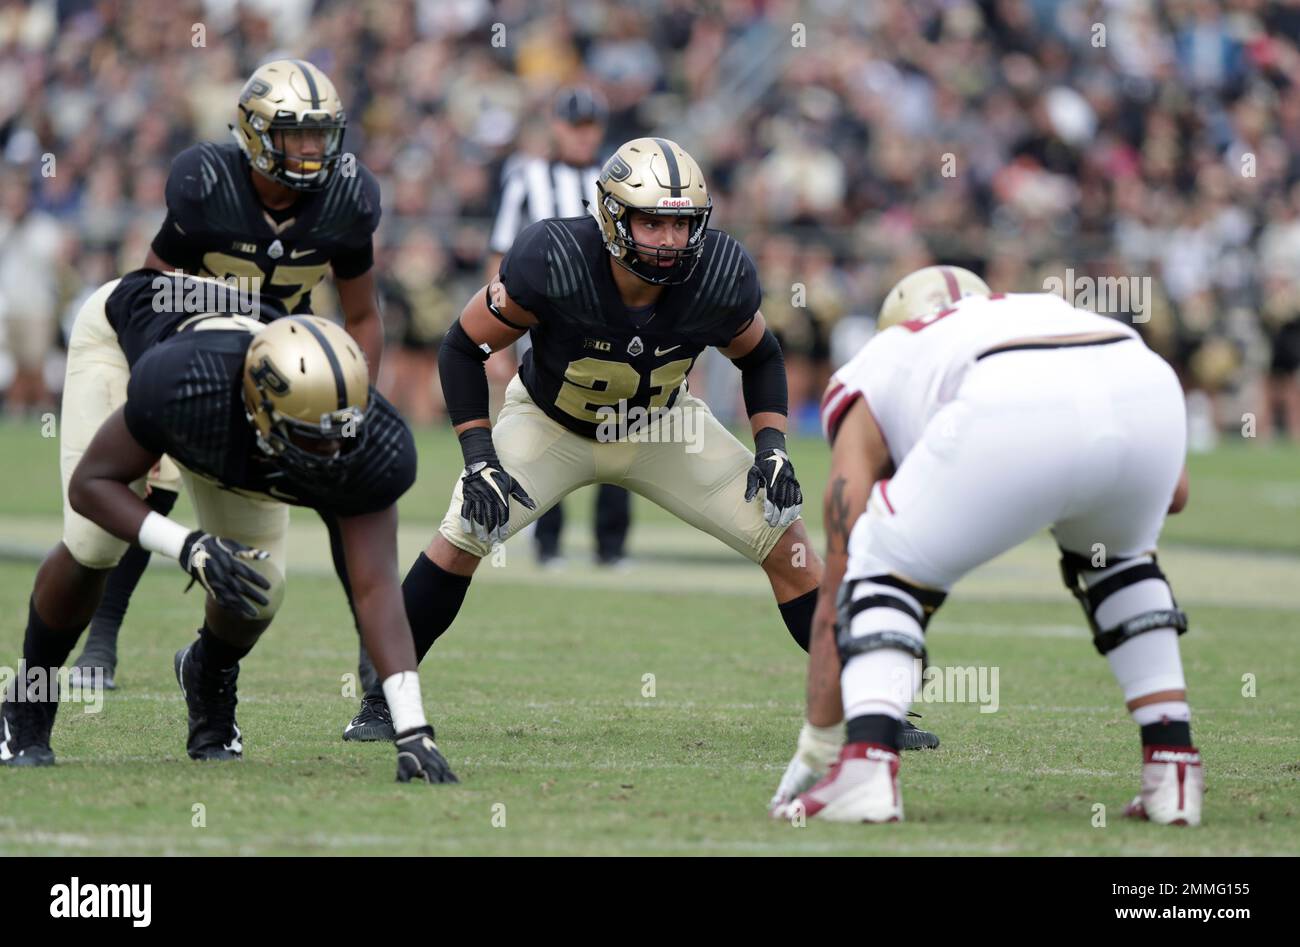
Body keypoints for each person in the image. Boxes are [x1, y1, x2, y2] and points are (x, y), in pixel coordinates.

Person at [398, 138, 938, 774]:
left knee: (787, 546)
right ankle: (383, 697)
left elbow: (760, 357)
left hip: (664, 428)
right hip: (550, 424)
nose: (667, 240)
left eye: (682, 224)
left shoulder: (718, 274)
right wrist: (478, 454)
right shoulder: (554, 259)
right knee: (464, 533)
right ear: (611, 217)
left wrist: (772, 449)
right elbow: (462, 347)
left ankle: (871, 706)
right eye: (651, 221)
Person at [770, 266, 1198, 824]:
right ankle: (1173, 768)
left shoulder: (879, 363)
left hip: (1007, 395)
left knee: (877, 561)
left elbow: (843, 569)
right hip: (1140, 376)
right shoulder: (1026, 311)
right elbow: (1175, 495)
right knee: (1119, 559)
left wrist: (817, 746)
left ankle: (865, 766)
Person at [0, 271, 455, 783]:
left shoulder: (368, 439)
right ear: (261, 413)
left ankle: (208, 677)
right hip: (123, 336)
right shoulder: (185, 388)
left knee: (257, 588)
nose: (332, 455)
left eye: (339, 436)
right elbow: (91, 485)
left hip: (237, 373)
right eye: (311, 440)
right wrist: (188, 545)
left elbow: (374, 589)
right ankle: (28, 700)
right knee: (94, 544)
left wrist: (414, 729)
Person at [67, 59, 395, 744]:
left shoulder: (347, 200)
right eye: (295, 136)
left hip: (282, 368)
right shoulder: (207, 185)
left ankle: (377, 676)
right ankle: (102, 635)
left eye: (320, 136)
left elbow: (362, 314)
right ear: (253, 134)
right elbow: (154, 286)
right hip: (193, 351)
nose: (311, 150)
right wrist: (151, 382)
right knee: (145, 477)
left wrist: (357, 385)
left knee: (346, 489)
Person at [485, 86, 633, 567]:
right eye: (575, 125)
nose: (583, 135)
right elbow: (500, 254)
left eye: (590, 126)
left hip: (612, 321)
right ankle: (546, 540)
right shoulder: (528, 176)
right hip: (546, 320)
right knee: (549, 426)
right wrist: (494, 338)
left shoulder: (615, 181)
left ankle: (611, 547)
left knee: (620, 426)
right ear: (556, 127)